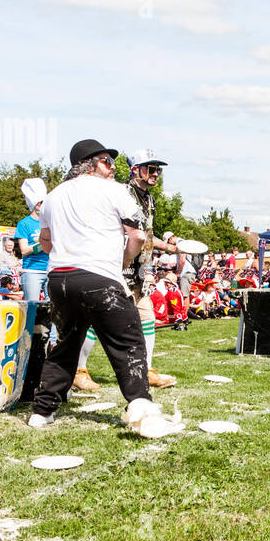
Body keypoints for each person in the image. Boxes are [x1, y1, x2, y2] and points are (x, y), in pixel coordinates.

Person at [27, 139, 174, 434]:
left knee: (66, 344)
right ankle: (142, 409)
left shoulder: (54, 196)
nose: (113, 167)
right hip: (99, 276)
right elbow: (137, 235)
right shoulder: (115, 190)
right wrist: (121, 261)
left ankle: (42, 411)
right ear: (91, 164)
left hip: (59, 279)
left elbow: (45, 241)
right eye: (108, 161)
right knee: (128, 343)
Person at [73, 151, 177, 391]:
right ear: (135, 169)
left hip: (138, 269)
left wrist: (169, 244)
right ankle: (78, 370)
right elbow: (123, 230)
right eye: (150, 168)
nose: (155, 174)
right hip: (116, 265)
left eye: (157, 170)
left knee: (146, 317)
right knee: (99, 319)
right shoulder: (121, 192)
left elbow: (146, 233)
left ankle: (147, 370)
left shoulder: (148, 198)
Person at [16, 178, 50, 305]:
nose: (42, 205)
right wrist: (43, 244)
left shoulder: (50, 221)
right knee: (32, 307)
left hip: (51, 269)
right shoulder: (24, 224)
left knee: (54, 308)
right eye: (40, 203)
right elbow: (24, 250)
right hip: (32, 271)